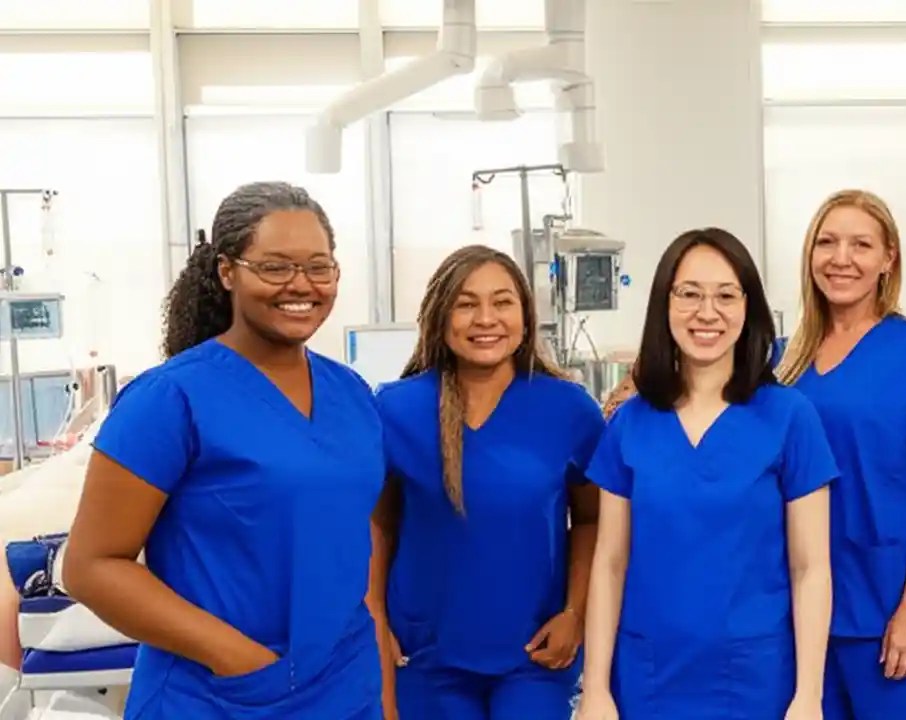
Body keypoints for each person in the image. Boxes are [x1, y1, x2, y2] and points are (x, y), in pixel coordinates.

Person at [61, 181, 386, 719]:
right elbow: (92, 565)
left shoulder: (351, 393)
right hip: (221, 695)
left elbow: (353, 532)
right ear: (227, 271)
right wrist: (238, 659)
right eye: (276, 267)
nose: (300, 285)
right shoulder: (170, 397)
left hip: (343, 686)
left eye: (319, 267)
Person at [576, 228, 837, 720]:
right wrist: (595, 690)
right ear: (665, 305)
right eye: (689, 294)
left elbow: (811, 569)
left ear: (748, 308)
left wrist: (809, 695)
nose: (707, 312)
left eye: (725, 295)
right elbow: (609, 563)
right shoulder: (630, 424)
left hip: (757, 676)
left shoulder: (789, 417)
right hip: (648, 674)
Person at [370, 245, 604, 720]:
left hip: (533, 653)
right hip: (425, 654)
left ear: (524, 315)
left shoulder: (569, 410)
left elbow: (592, 520)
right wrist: (375, 621)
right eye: (466, 303)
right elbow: (379, 525)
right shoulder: (396, 410)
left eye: (502, 302)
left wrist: (575, 613)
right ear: (440, 317)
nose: (486, 318)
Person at [774, 189, 906, 720]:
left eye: (861, 244)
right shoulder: (780, 361)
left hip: (888, 604)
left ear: (888, 259)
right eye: (827, 242)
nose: (841, 258)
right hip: (795, 612)